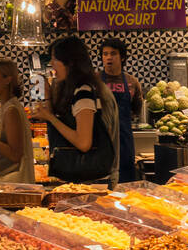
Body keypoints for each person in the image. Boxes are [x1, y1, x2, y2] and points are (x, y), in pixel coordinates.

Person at [32, 36, 119, 185]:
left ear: (69, 63)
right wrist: (47, 96)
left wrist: (51, 117)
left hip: (90, 181)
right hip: (81, 177)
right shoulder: (72, 89)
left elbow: (83, 143)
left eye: (54, 59)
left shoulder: (83, 92)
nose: (51, 64)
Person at [99, 38, 142, 184]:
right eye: (105, 54)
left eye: (113, 53)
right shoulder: (95, 81)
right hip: (100, 141)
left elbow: (136, 109)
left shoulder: (132, 82)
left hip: (124, 141)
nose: (108, 57)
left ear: (122, 57)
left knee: (125, 186)